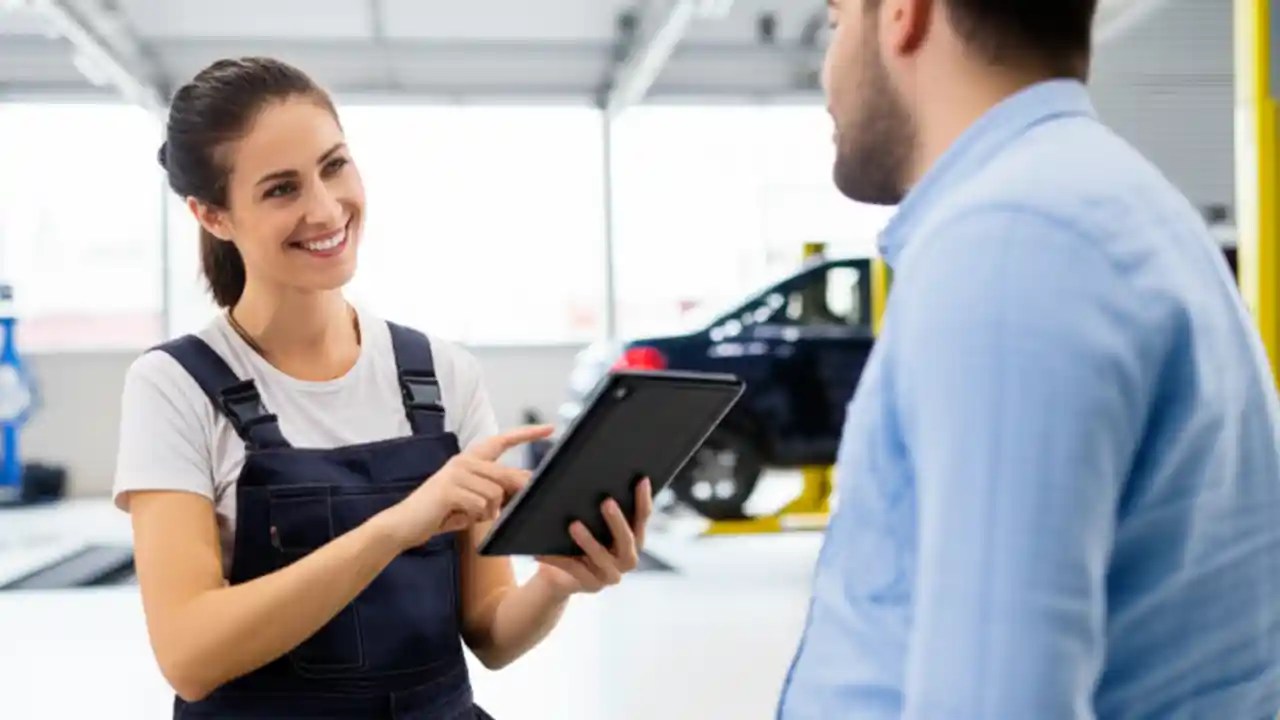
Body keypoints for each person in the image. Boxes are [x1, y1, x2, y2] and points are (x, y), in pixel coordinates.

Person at [778, 0, 1280, 717]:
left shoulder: (1012, 244)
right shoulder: (1114, 202)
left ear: (902, 15)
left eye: (836, 23)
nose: (825, 71)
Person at [113, 57, 655, 719]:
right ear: (213, 215)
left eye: (334, 166)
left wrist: (556, 582)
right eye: (281, 189)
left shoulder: (443, 374)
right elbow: (190, 656)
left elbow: (490, 630)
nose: (324, 208)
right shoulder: (174, 387)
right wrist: (398, 526)